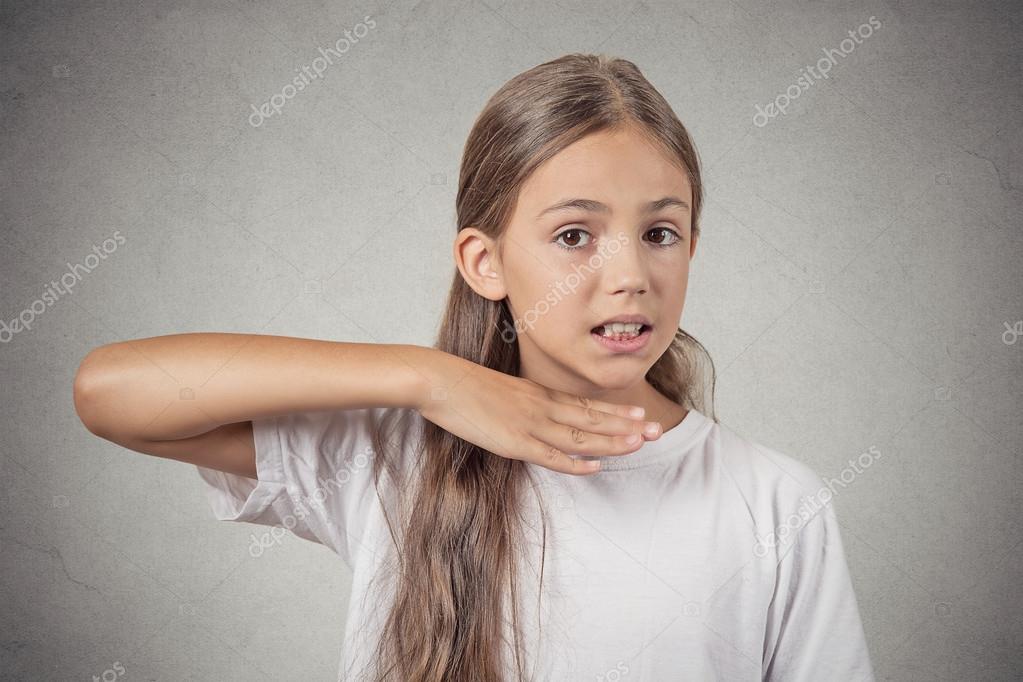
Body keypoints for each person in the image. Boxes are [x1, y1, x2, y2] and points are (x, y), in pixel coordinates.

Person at [73, 53, 875, 681]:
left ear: (692, 244)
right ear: (484, 263)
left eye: (660, 232)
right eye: (574, 236)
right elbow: (112, 392)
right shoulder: (393, 457)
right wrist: (431, 379)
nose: (630, 273)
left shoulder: (776, 504)